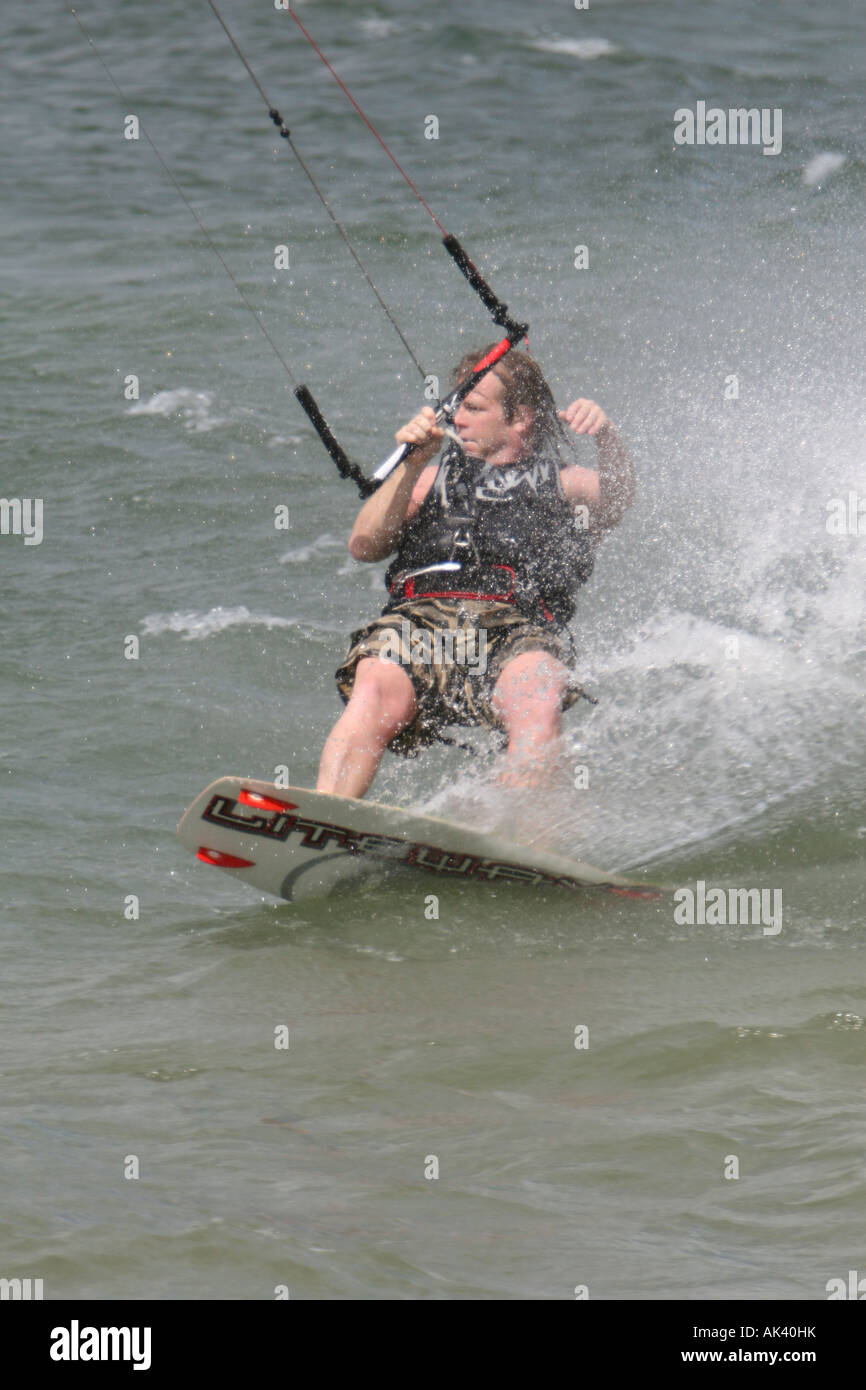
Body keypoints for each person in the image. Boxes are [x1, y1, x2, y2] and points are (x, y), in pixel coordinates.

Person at [316, 346, 635, 798]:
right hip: (421, 620)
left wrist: (607, 437)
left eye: (473, 407)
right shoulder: (426, 479)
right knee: (376, 681)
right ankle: (329, 814)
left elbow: (619, 499)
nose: (456, 418)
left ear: (520, 418)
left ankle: (522, 839)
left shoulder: (564, 482)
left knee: (537, 697)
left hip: (516, 628)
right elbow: (364, 545)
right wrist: (409, 463)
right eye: (457, 407)